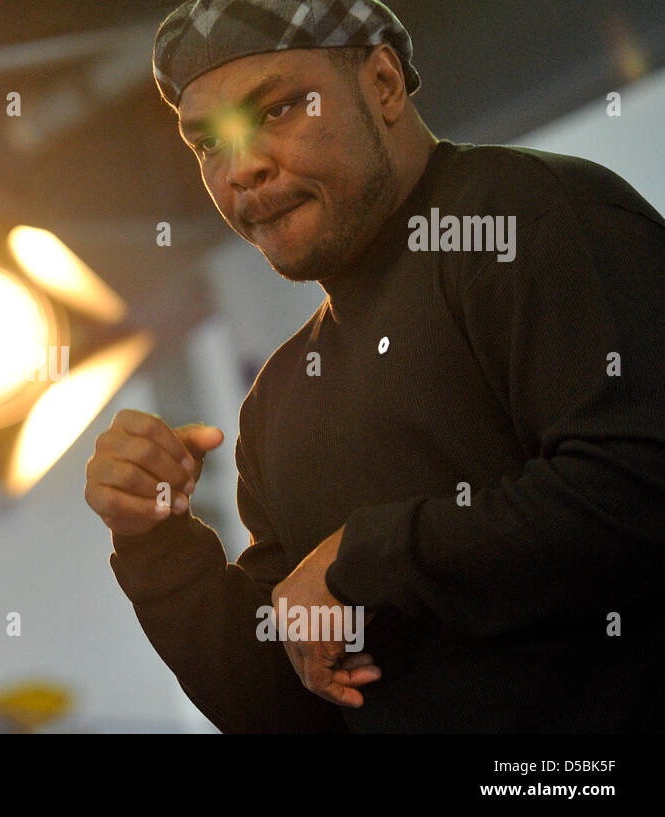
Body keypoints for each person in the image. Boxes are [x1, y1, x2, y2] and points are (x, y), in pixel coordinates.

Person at [83, 0, 665, 732]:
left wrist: (369, 555)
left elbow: (640, 486)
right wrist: (155, 542)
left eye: (281, 108)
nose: (245, 168)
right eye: (208, 145)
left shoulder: (530, 218)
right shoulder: (279, 398)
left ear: (385, 82)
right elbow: (282, 706)